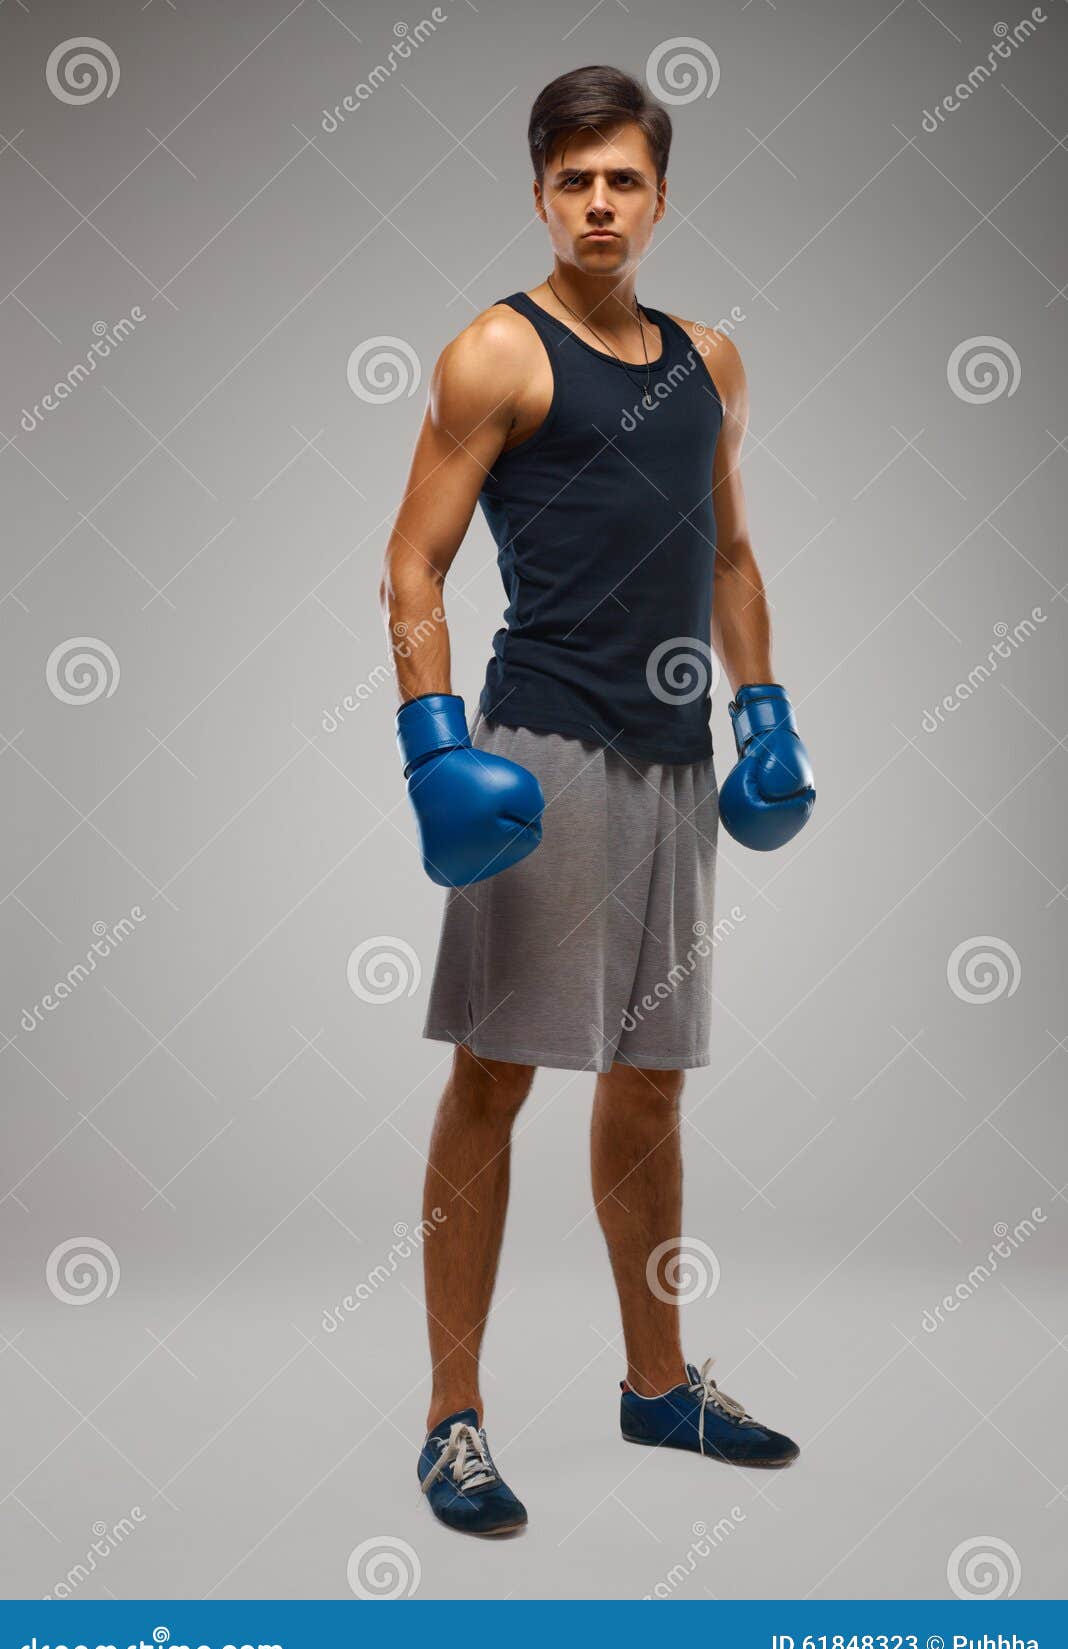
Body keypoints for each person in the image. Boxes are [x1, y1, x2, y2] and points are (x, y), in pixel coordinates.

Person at [379, 63, 815, 1536]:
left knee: (651, 1079)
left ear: (662, 195)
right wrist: (434, 744)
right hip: (542, 754)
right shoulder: (498, 353)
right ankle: (452, 1419)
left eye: (625, 178)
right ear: (541, 195)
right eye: (575, 180)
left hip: (678, 759)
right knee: (495, 1075)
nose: (600, 203)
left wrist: (769, 710)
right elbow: (413, 565)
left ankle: (655, 1384)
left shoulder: (714, 362)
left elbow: (734, 555)